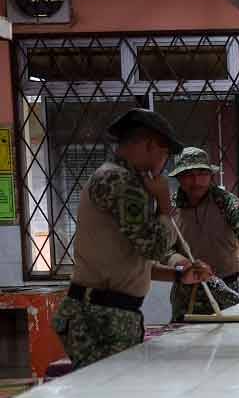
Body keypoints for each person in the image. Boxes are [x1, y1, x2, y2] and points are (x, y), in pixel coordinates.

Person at [52, 109, 212, 369]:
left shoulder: (122, 180)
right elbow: (154, 247)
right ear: (149, 144)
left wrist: (179, 276)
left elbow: (131, 262)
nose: (164, 163)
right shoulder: (120, 182)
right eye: (165, 154)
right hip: (101, 318)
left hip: (104, 313)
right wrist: (163, 204)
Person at [162, 147, 239, 322]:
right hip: (185, 291)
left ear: (211, 176)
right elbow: (162, 247)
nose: (196, 180)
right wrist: (180, 263)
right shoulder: (169, 207)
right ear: (179, 178)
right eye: (189, 174)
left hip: (224, 289)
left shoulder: (226, 203)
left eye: (202, 173)